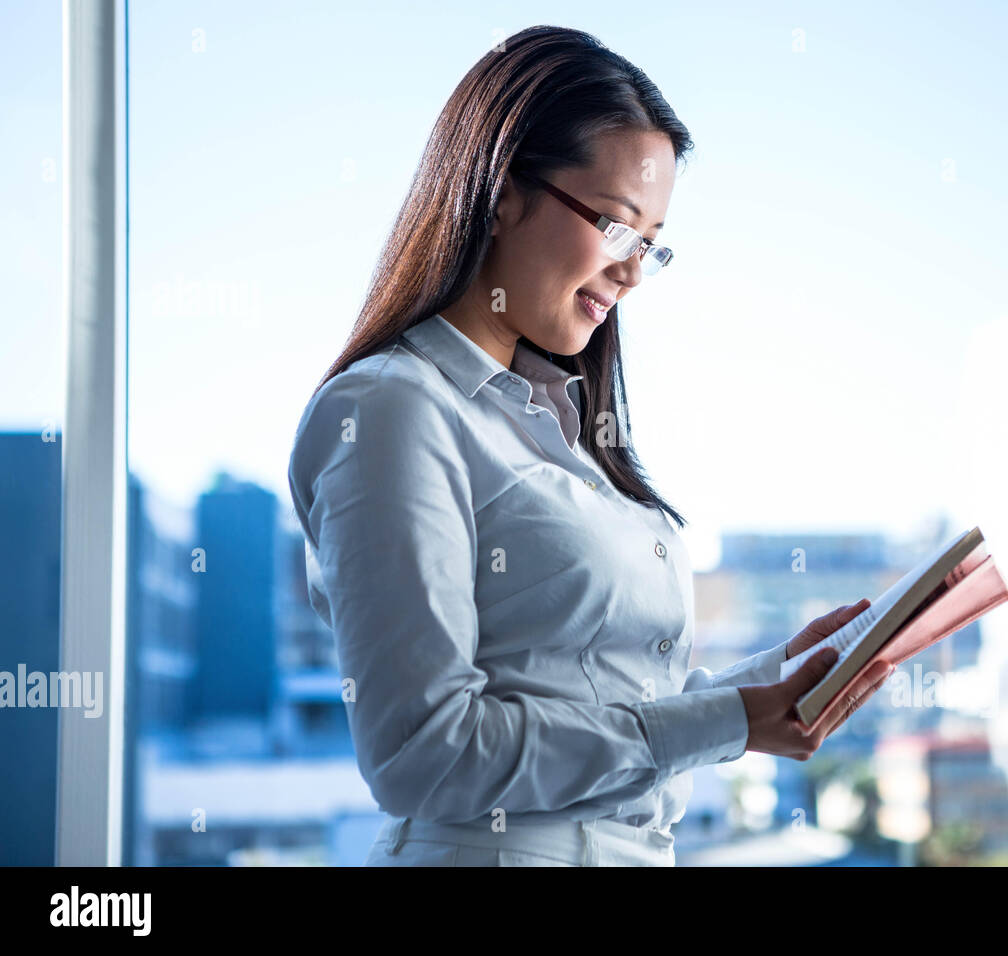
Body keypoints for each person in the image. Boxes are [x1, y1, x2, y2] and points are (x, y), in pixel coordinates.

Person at [286, 24, 894, 867]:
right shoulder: (393, 410)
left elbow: (598, 712)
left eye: (650, 243)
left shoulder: (559, 425)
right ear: (503, 192)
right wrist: (728, 720)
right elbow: (422, 753)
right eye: (614, 225)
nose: (634, 271)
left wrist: (757, 688)